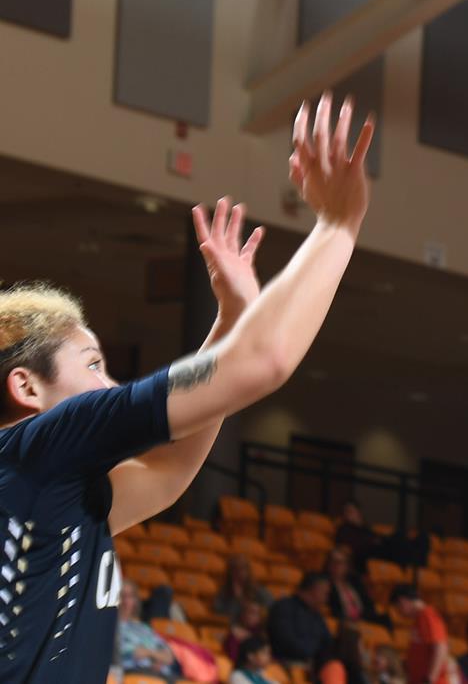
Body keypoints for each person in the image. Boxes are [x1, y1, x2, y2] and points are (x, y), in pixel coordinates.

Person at [0, 93, 373, 683]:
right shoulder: (45, 446)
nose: (111, 384)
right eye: (93, 364)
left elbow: (168, 476)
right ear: (25, 386)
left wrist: (229, 324)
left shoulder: (42, 490)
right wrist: (338, 224)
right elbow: (265, 360)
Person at [389, 584, 460, 684]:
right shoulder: (420, 618)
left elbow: (440, 647)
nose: (399, 613)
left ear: (403, 601)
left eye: (397, 608)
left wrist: (430, 678)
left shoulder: (427, 615)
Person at [118, 581, 182, 682]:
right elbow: (135, 653)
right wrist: (156, 655)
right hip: (133, 672)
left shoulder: (144, 628)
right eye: (122, 596)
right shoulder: (111, 627)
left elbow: (168, 657)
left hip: (161, 674)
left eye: (130, 596)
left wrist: (149, 653)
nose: (126, 601)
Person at [270, 573, 335, 668]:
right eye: (325, 593)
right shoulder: (284, 607)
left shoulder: (316, 615)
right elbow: (285, 642)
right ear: (314, 590)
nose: (326, 599)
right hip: (287, 663)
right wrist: (311, 652)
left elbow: (327, 643)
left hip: (313, 665)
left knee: (336, 665)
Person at [327, 545, 379, 626]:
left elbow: (368, 605)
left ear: (347, 566)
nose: (336, 565)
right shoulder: (325, 583)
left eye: (340, 562)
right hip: (342, 623)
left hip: (363, 622)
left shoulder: (355, 582)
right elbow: (333, 609)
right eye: (333, 561)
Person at [216, 554, 276, 622]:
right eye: (235, 570)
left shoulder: (258, 591)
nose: (239, 573)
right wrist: (236, 599)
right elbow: (219, 612)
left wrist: (256, 610)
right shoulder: (224, 592)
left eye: (242, 569)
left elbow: (270, 607)